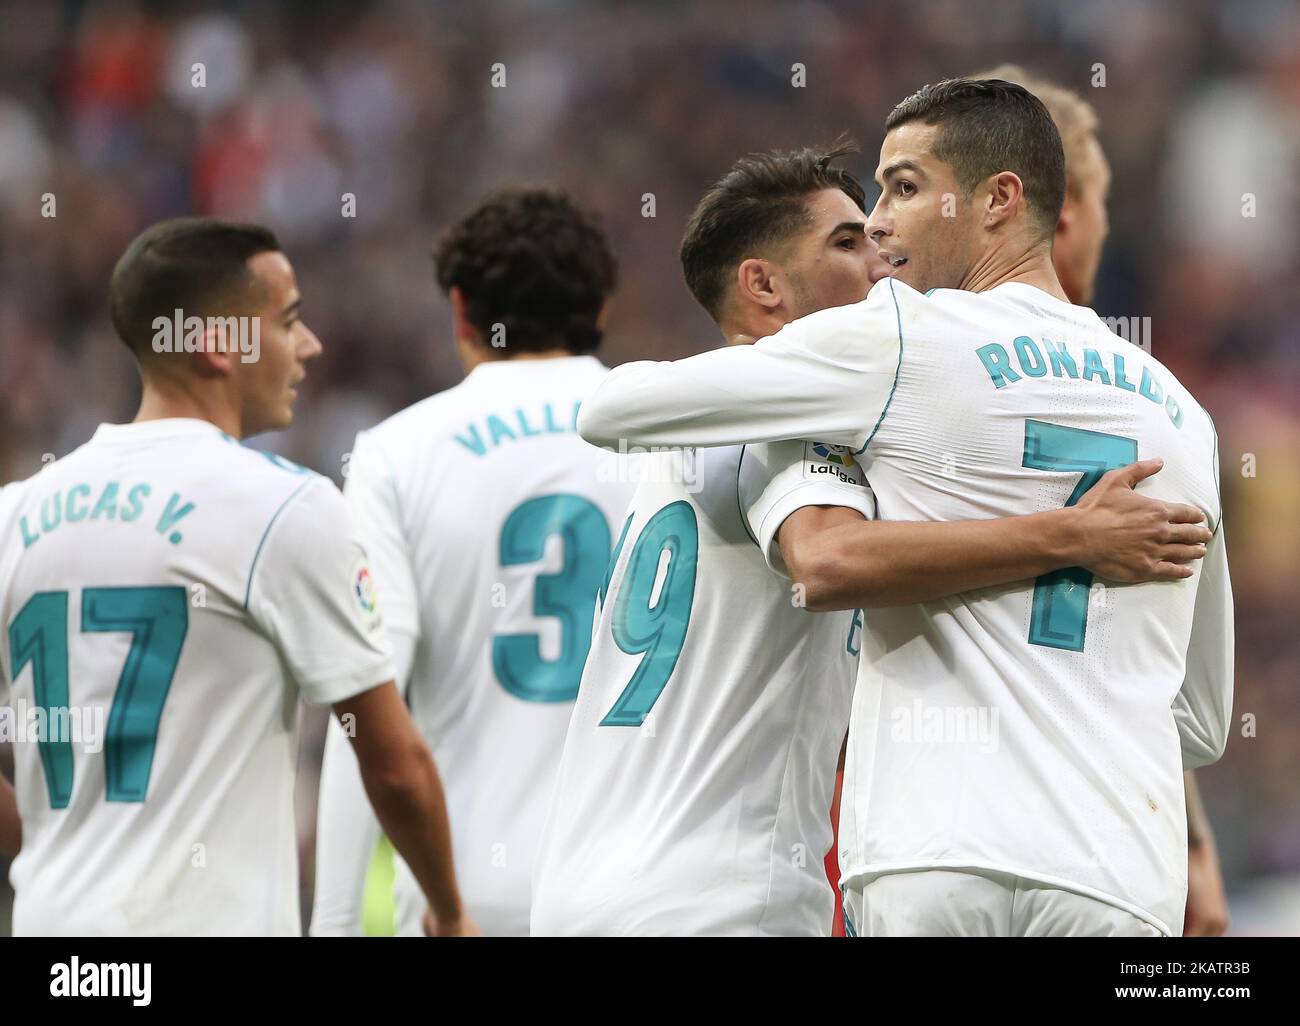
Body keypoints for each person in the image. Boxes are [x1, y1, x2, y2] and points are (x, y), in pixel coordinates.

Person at [575, 80, 1233, 937]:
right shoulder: (1184, 414)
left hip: (933, 852)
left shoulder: (897, 337)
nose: (881, 221)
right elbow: (1203, 719)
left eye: (906, 187)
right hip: (1116, 876)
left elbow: (613, 412)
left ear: (999, 199)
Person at [0, 218, 471, 936]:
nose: (309, 346)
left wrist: (56, 855)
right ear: (221, 346)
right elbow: (393, 764)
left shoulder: (13, 515)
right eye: (288, 322)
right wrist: (449, 910)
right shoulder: (284, 506)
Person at [311, 189, 634, 937]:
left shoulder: (396, 453)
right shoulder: (674, 436)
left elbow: (367, 701)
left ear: (461, 309)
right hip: (641, 889)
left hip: (465, 898)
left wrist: (331, 924)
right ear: (603, 308)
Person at [978, 61, 1230, 938]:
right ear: (1069, 207)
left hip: (920, 830)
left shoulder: (909, 352)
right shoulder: (1153, 401)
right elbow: (1162, 672)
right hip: (1088, 843)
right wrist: (1191, 850)